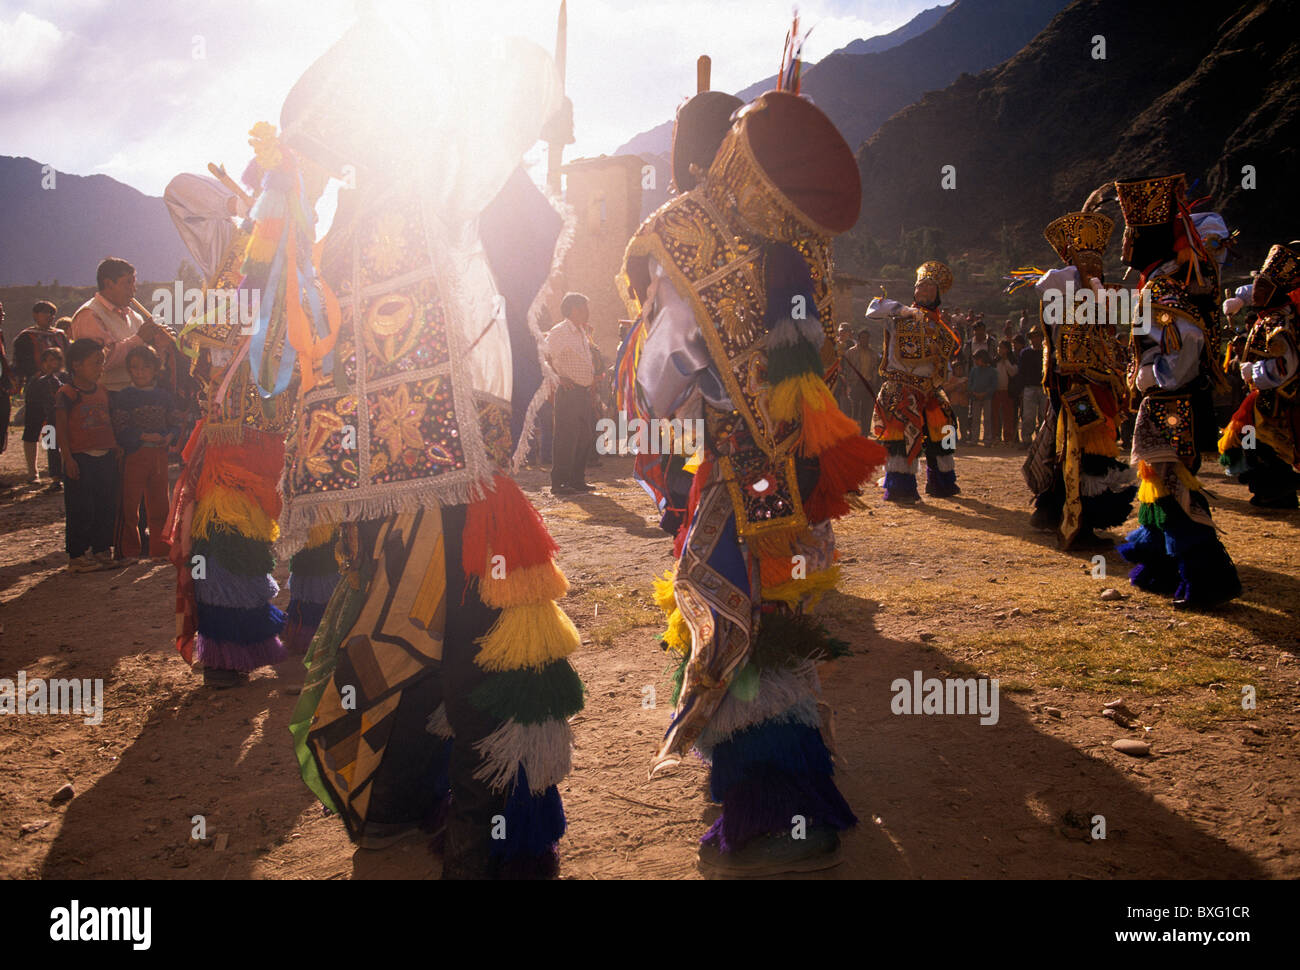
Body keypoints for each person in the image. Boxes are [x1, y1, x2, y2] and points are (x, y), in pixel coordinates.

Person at [273, 14, 582, 878]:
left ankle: (395, 820)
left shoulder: (351, 226)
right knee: (469, 662)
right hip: (457, 489)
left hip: (389, 494)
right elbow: (522, 83)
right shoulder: (437, 190)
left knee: (396, 647)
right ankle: (482, 851)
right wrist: (500, 76)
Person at [619, 86, 882, 876]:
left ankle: (771, 809)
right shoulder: (796, 258)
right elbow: (817, 366)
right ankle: (790, 786)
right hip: (797, 477)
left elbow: (657, 384)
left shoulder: (687, 244)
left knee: (737, 620)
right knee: (784, 615)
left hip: (734, 472)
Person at [1105, 174, 1240, 608]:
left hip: (1170, 403)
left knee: (1173, 488)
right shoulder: (1162, 288)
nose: (1125, 244)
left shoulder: (1163, 293)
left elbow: (1182, 354)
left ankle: (1207, 579)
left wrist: (1147, 375)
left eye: (1132, 235)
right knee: (1157, 483)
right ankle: (1160, 566)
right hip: (1167, 404)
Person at [1019, 208, 1136, 548]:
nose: (1093, 269)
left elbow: (1125, 324)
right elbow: (1049, 284)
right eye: (1085, 263)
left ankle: (1054, 512)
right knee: (1077, 454)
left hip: (1097, 388)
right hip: (1076, 390)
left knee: (1070, 452)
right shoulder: (1062, 296)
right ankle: (1077, 523)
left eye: (1097, 263)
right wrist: (1079, 275)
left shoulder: (1102, 301)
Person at [868, 261, 962, 499]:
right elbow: (872, 309)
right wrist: (905, 311)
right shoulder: (896, 315)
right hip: (900, 387)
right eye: (922, 286)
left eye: (932, 288)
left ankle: (942, 483)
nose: (927, 291)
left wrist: (943, 378)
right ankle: (901, 487)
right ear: (915, 290)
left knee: (945, 432)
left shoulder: (940, 328)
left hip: (929, 389)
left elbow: (944, 361)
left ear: (938, 295)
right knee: (900, 440)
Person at [1219, 242, 1300, 508]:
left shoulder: (1278, 324)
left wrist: (1252, 370)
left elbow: (1285, 366)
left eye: (1263, 288)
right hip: (1261, 398)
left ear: (1276, 292)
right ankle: (1264, 487)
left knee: (1265, 446)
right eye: (1257, 286)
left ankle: (1275, 491)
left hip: (1274, 401)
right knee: (1251, 442)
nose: (1256, 292)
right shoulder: (1269, 317)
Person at [55, 339, 120, 572]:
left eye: (101, 363)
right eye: (95, 363)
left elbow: (109, 421)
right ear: (76, 364)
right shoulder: (67, 394)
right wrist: (68, 458)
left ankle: (102, 549)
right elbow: (61, 429)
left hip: (105, 456)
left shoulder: (102, 391)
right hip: (81, 458)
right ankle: (77, 555)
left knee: (105, 504)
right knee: (81, 508)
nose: (100, 368)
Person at [111, 344, 182, 559]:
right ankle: (128, 551)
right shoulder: (125, 396)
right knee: (129, 505)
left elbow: (174, 422)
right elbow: (120, 427)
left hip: (159, 456)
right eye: (135, 368)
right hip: (134, 455)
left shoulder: (164, 396)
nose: (140, 372)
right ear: (129, 370)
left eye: (145, 368)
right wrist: (143, 436)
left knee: (160, 504)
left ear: (155, 370)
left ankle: (160, 550)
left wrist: (170, 436)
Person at [542, 293, 597, 495]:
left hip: (582, 391)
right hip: (569, 391)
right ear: (573, 309)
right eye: (584, 308)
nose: (587, 312)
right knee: (566, 437)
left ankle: (576, 479)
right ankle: (560, 483)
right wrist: (558, 378)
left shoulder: (581, 332)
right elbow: (543, 357)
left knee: (584, 436)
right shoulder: (560, 331)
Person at [70, 259, 147, 392]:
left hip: (135, 394)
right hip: (106, 394)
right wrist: (139, 338)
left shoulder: (135, 317)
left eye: (134, 283)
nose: (133, 289)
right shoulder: (90, 314)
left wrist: (160, 346)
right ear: (109, 284)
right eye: (128, 283)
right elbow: (102, 360)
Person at [14, 301, 71, 481]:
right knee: (32, 426)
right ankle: (33, 472)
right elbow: (22, 362)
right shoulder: (26, 337)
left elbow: (68, 359)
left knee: (52, 427)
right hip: (36, 386)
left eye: (51, 313)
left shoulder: (60, 336)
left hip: (58, 387)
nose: (49, 316)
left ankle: (52, 467)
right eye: (45, 313)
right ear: (35, 315)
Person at [25, 348, 67, 489]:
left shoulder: (66, 378)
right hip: (48, 420)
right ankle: (55, 478)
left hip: (64, 419)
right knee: (51, 448)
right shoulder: (38, 381)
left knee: (66, 447)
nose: (51, 363)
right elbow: (32, 402)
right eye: (48, 360)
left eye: (54, 359)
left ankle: (66, 475)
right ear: (42, 363)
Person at [1019, 327, 1045, 447]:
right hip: (1029, 387)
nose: (1035, 339)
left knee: (1043, 415)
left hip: (1043, 387)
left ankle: (1042, 440)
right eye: (1033, 337)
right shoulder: (1025, 353)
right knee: (1028, 416)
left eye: (1037, 336)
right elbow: (1022, 371)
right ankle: (1026, 439)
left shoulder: (1046, 352)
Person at [968, 349, 997, 446]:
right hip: (975, 398)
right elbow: (970, 383)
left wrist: (985, 393)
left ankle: (987, 439)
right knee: (975, 419)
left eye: (977, 359)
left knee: (987, 419)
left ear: (983, 359)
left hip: (987, 398)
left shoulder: (992, 371)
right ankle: (974, 439)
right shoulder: (974, 370)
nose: (976, 362)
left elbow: (993, 385)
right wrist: (974, 393)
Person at [993, 338, 1019, 444]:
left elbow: (1013, 373)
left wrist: (1006, 360)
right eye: (999, 347)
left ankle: (1008, 437)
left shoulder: (1013, 360)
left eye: (1002, 348)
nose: (1000, 350)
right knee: (996, 415)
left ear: (1007, 349)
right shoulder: (995, 361)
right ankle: (996, 436)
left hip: (1008, 391)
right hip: (997, 391)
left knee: (1008, 415)